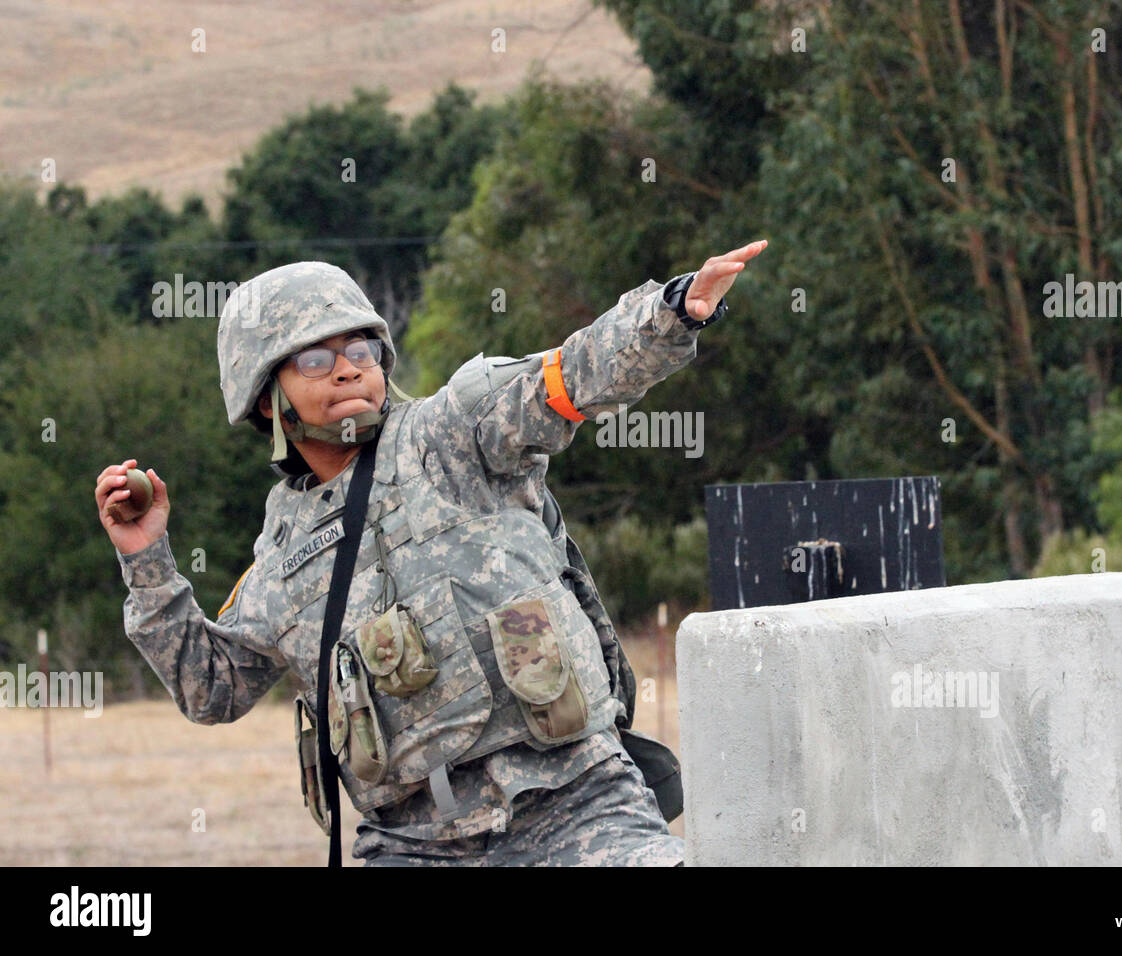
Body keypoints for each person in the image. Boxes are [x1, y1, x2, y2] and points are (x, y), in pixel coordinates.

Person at [94, 242, 767, 866]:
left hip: (576, 805)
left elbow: (569, 378)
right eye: (314, 359)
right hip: (410, 843)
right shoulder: (280, 553)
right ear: (267, 399)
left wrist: (670, 313)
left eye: (360, 348)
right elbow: (211, 690)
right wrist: (147, 560)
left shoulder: (455, 434)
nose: (349, 367)